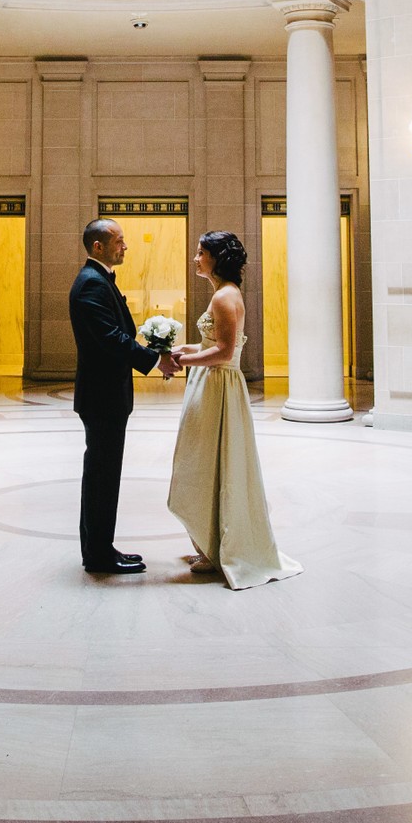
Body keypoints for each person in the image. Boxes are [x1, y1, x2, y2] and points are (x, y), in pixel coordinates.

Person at [165, 231, 300, 590]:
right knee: (206, 462)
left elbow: (225, 353)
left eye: (200, 253)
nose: (195, 258)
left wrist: (187, 361)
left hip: (218, 385)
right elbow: (217, 343)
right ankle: (211, 543)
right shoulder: (224, 294)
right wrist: (184, 348)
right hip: (212, 383)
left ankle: (216, 548)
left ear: (216, 258)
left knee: (209, 462)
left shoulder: (225, 297)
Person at [70, 217, 173, 575]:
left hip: (105, 395)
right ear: (98, 246)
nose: (125, 246)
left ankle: (100, 547)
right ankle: (98, 555)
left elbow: (117, 334)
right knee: (102, 475)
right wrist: (155, 360)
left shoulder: (97, 280)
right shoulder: (91, 285)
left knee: (102, 474)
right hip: (102, 397)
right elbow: (112, 338)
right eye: (119, 240)